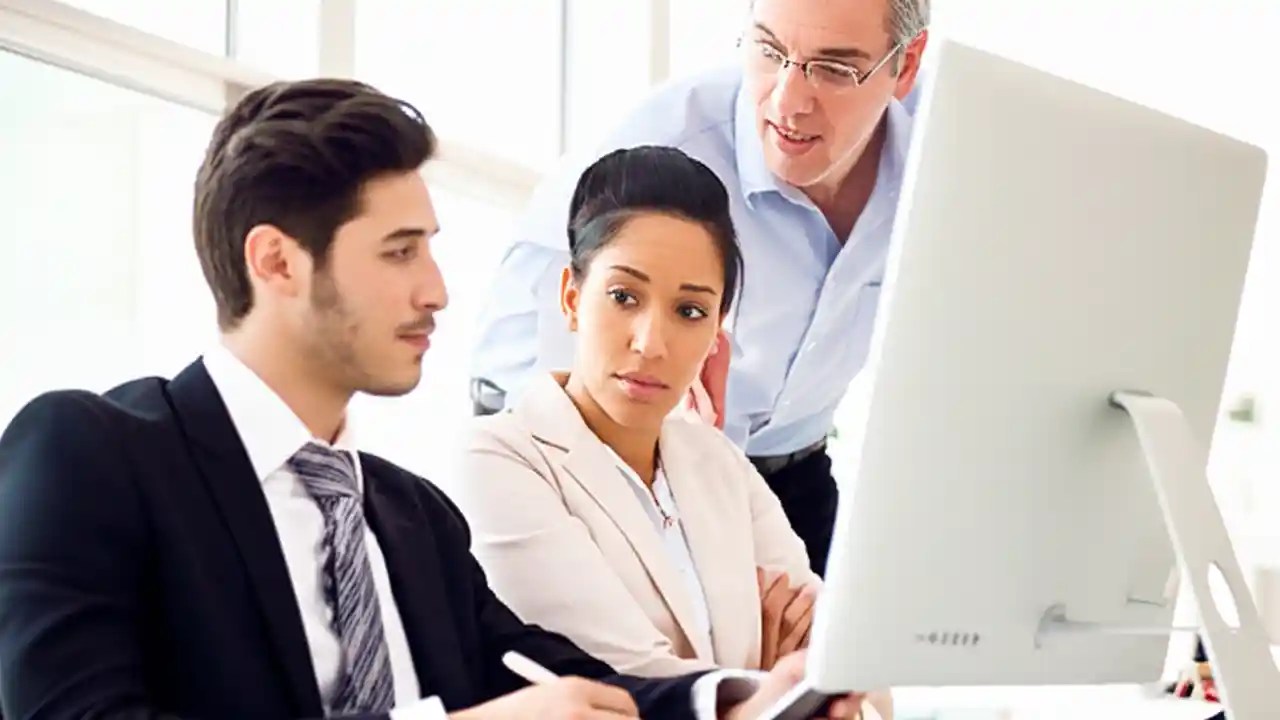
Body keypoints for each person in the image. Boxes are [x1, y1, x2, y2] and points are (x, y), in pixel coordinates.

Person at [0, 79, 866, 720]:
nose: (440, 290)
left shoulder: (406, 514)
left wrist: (744, 697)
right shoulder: (88, 456)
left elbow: (572, 686)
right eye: (400, 251)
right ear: (276, 262)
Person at [468, 0, 930, 578]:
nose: (788, 102)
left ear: (905, 66)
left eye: (834, 69)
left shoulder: (944, 154)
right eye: (769, 51)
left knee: (821, 661)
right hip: (596, 452)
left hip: (789, 471)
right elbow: (537, 352)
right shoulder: (666, 150)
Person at [452, 146, 894, 720]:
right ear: (571, 298)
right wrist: (766, 679)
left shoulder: (719, 463)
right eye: (624, 297)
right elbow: (628, 684)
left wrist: (797, 685)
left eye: (689, 311)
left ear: (716, 331)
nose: (650, 343)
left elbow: (850, 673)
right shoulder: (498, 459)